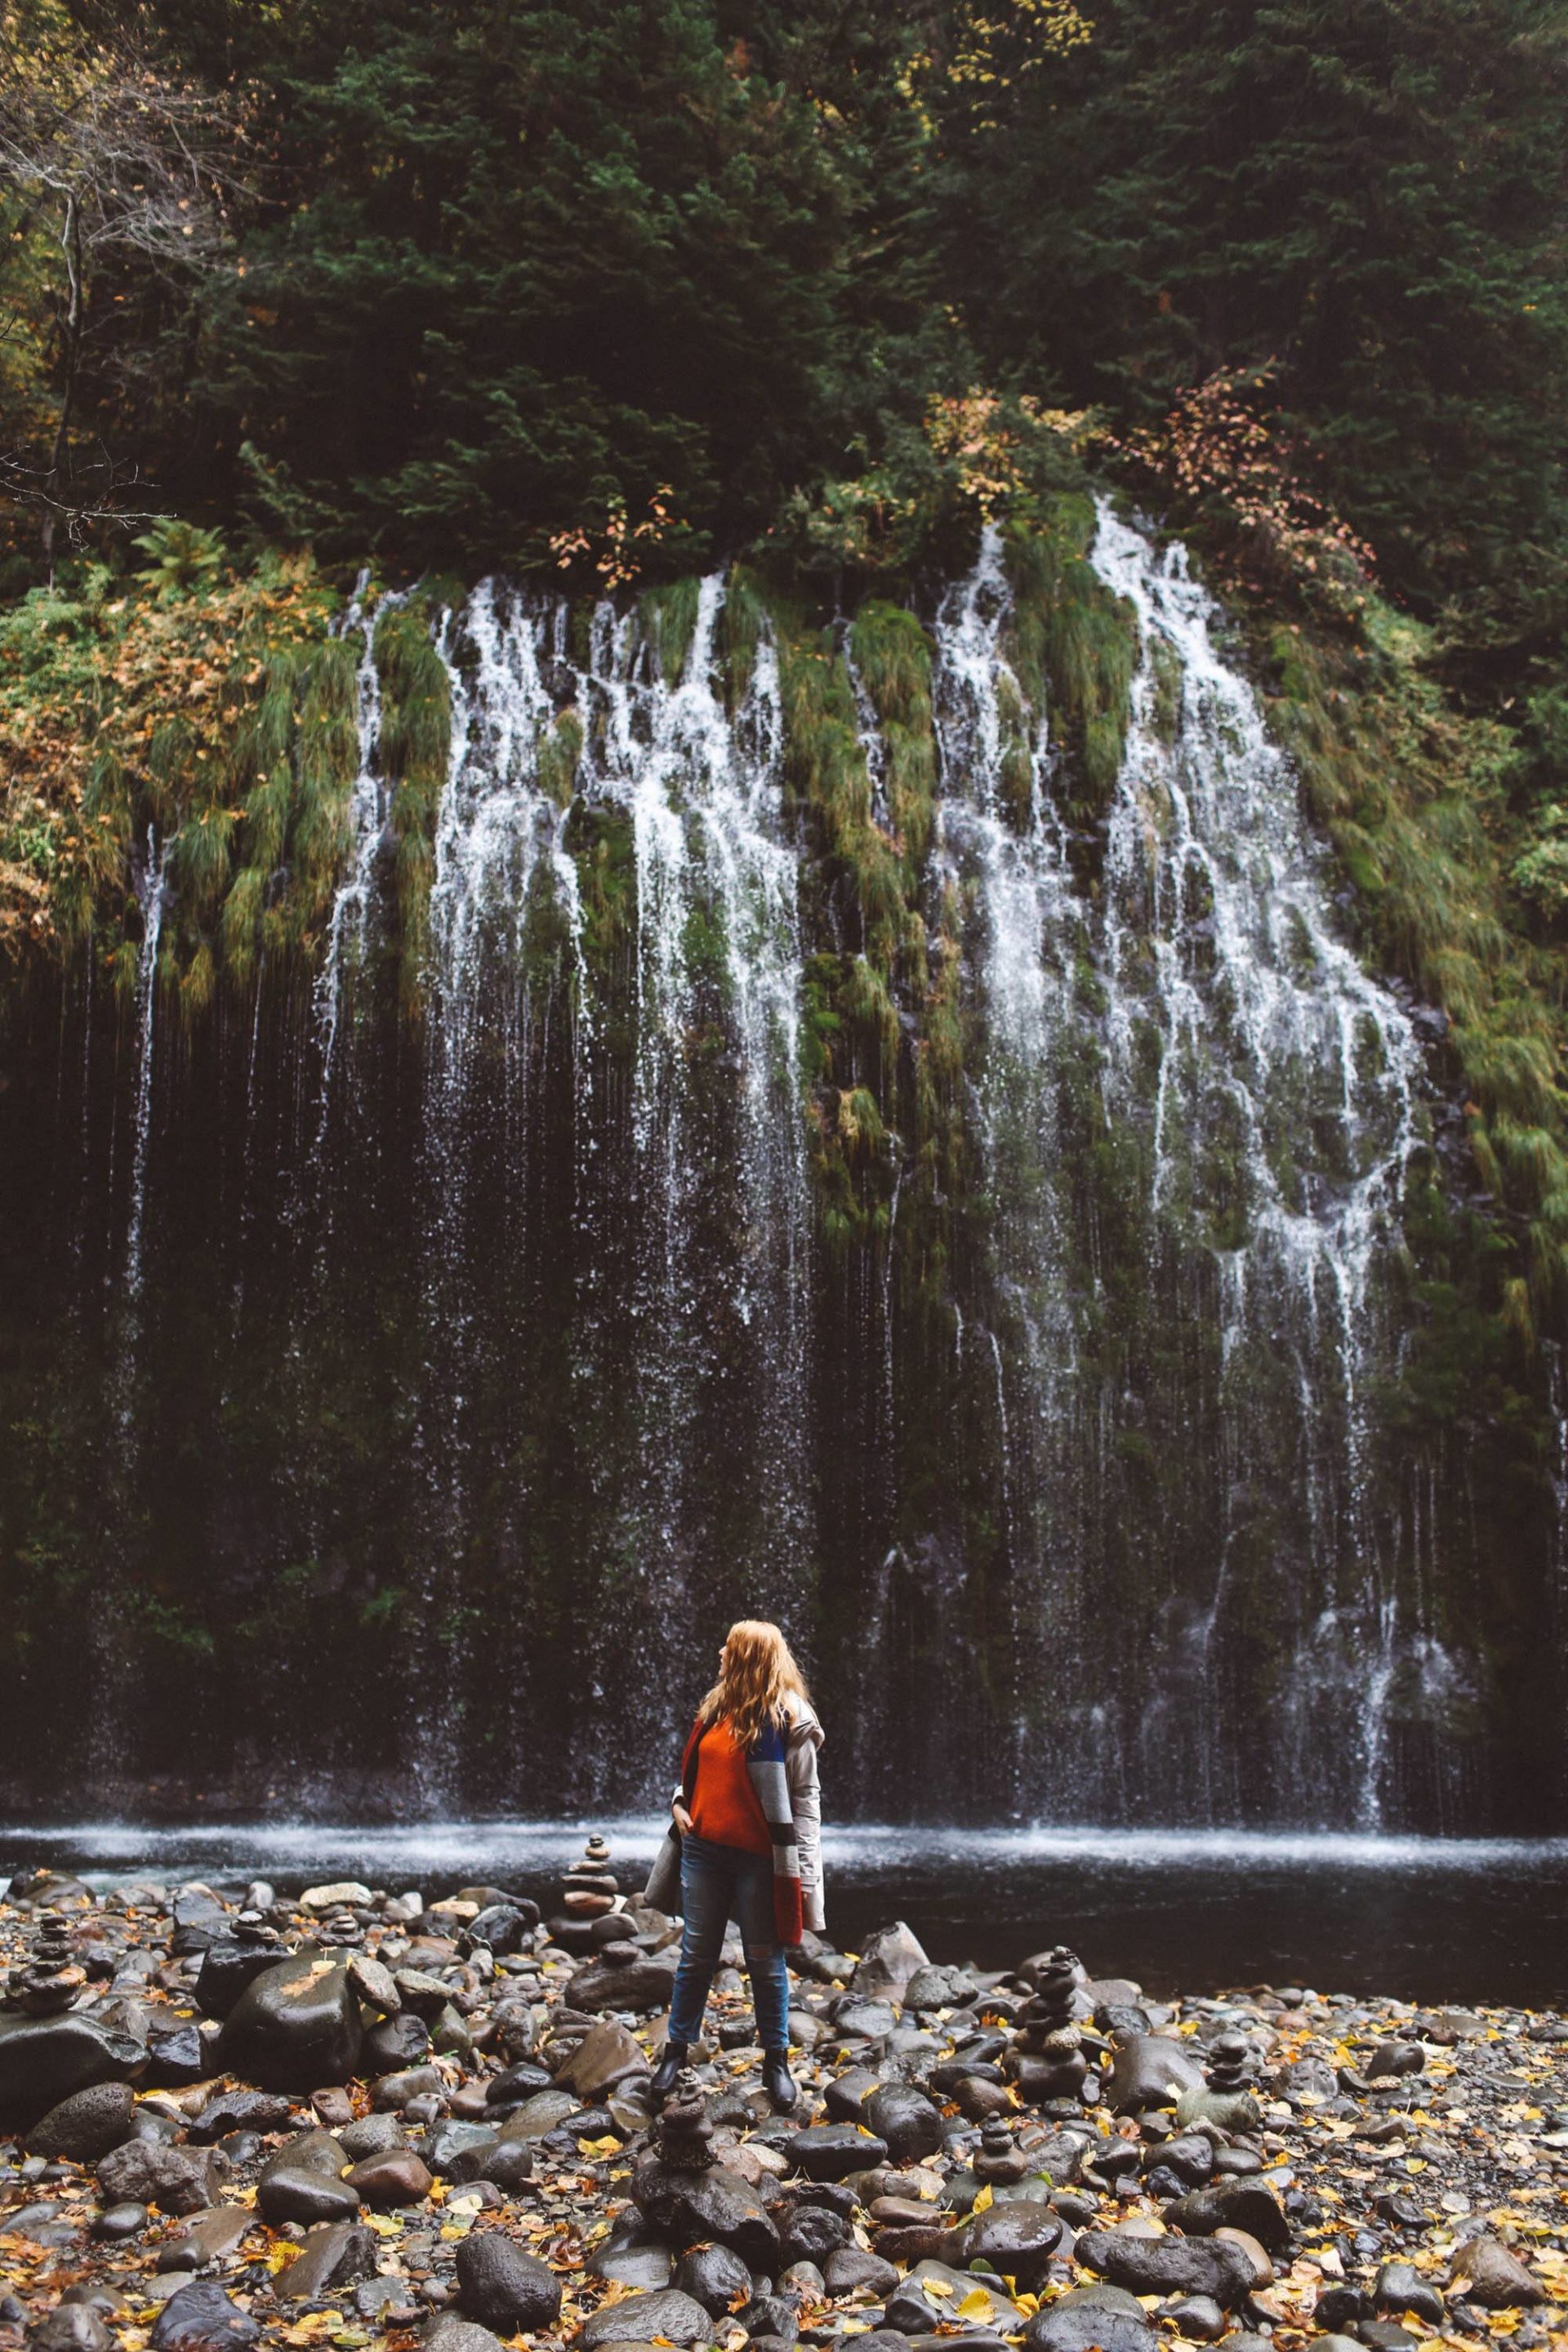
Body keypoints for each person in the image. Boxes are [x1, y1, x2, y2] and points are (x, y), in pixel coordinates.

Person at [648, 1619, 824, 2111]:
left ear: (748, 1656)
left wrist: (805, 1874)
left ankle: (776, 2061)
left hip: (760, 1861)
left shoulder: (791, 1719)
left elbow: (806, 1800)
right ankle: (674, 2053)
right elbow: (696, 1774)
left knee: (765, 1961)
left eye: (728, 1649)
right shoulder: (716, 1707)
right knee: (696, 1956)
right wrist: (679, 1802)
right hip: (703, 1851)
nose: (720, 1655)